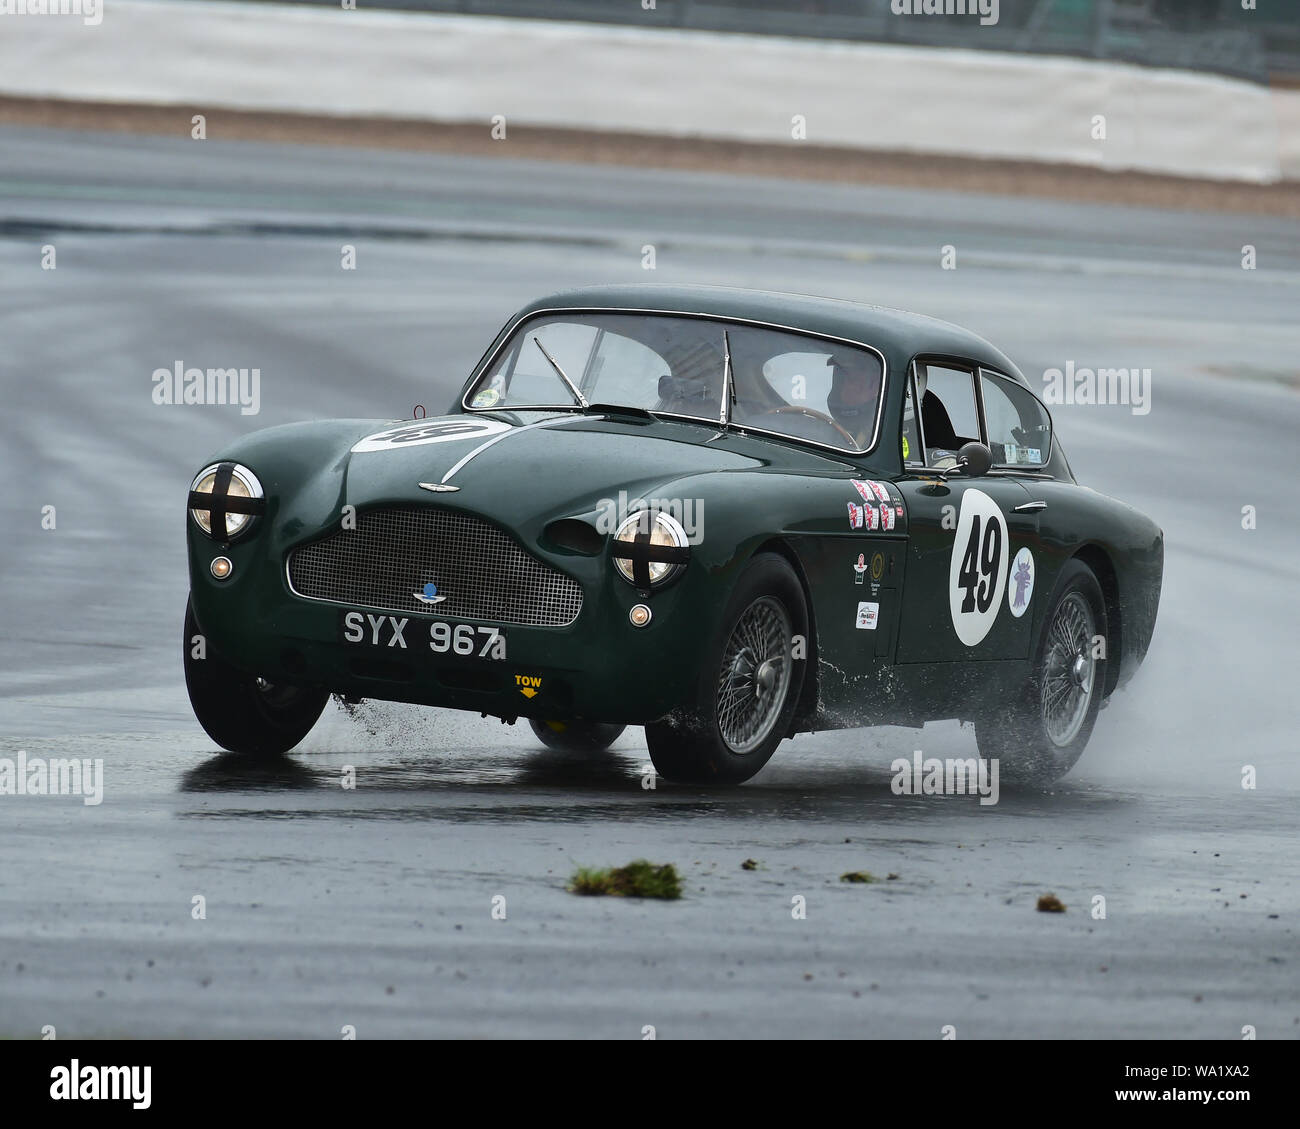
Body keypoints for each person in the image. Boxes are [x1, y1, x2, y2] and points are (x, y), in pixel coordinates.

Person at [825, 351, 883, 448]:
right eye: (843, 376)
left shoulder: (877, 438)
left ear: (875, 386)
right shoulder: (818, 427)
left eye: (853, 379)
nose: (845, 385)